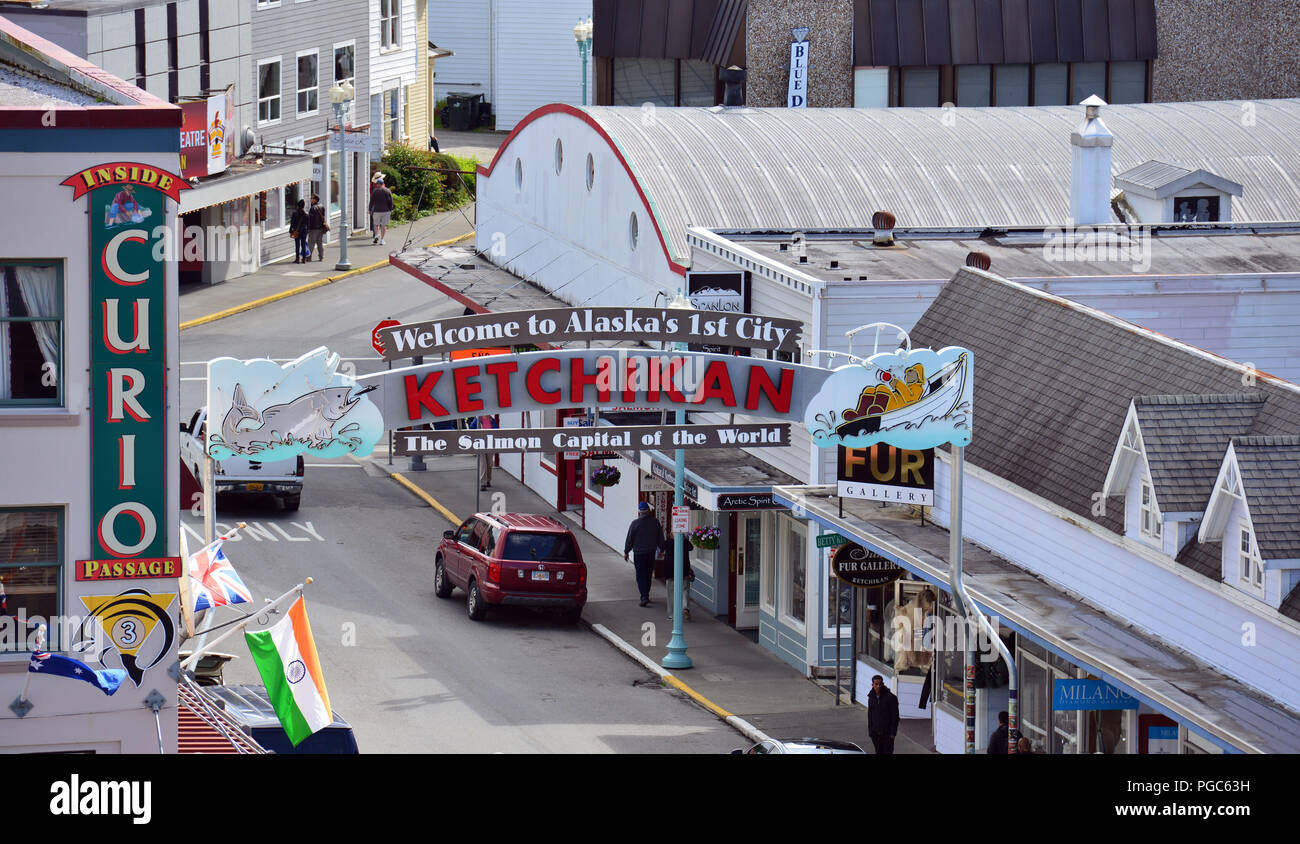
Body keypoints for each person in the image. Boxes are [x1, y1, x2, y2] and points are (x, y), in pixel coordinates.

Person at [624, 501, 665, 607]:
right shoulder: (655, 522)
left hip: (638, 553)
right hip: (650, 552)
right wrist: (662, 549)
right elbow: (660, 537)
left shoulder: (635, 523)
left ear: (639, 512)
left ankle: (644, 596)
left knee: (640, 575)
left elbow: (629, 539)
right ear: (648, 511)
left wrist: (626, 552)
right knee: (648, 574)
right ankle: (646, 594)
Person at [866, 674, 900, 755]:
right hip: (875, 733)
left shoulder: (891, 698)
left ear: (883, 684)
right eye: (876, 684)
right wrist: (871, 731)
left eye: (880, 684)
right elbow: (870, 715)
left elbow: (895, 717)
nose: (878, 686)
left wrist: (893, 733)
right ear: (872, 685)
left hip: (887, 734)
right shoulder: (871, 697)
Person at [369, 173, 394, 245]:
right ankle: (382, 240)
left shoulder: (375, 191)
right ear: (383, 183)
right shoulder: (388, 191)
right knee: (383, 226)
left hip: (376, 210)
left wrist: (370, 209)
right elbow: (391, 201)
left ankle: (376, 235)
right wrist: (390, 209)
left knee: (376, 224)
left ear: (378, 184)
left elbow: (371, 201)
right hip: (386, 211)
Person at [306, 194, 327, 262]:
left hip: (313, 229)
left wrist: (308, 229)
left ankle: (309, 257)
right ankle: (321, 257)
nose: (310, 200)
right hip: (320, 228)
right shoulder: (322, 206)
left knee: (311, 244)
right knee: (319, 243)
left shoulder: (312, 208)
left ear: (315, 199)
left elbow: (310, 220)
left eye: (311, 198)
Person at [289, 199, 310, 263]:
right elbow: (308, 224)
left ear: (298, 206)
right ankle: (304, 259)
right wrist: (307, 231)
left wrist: (290, 230)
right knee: (303, 245)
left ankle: (297, 259)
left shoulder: (295, 213)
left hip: (296, 231)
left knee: (297, 245)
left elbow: (292, 223)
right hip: (304, 231)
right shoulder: (306, 214)